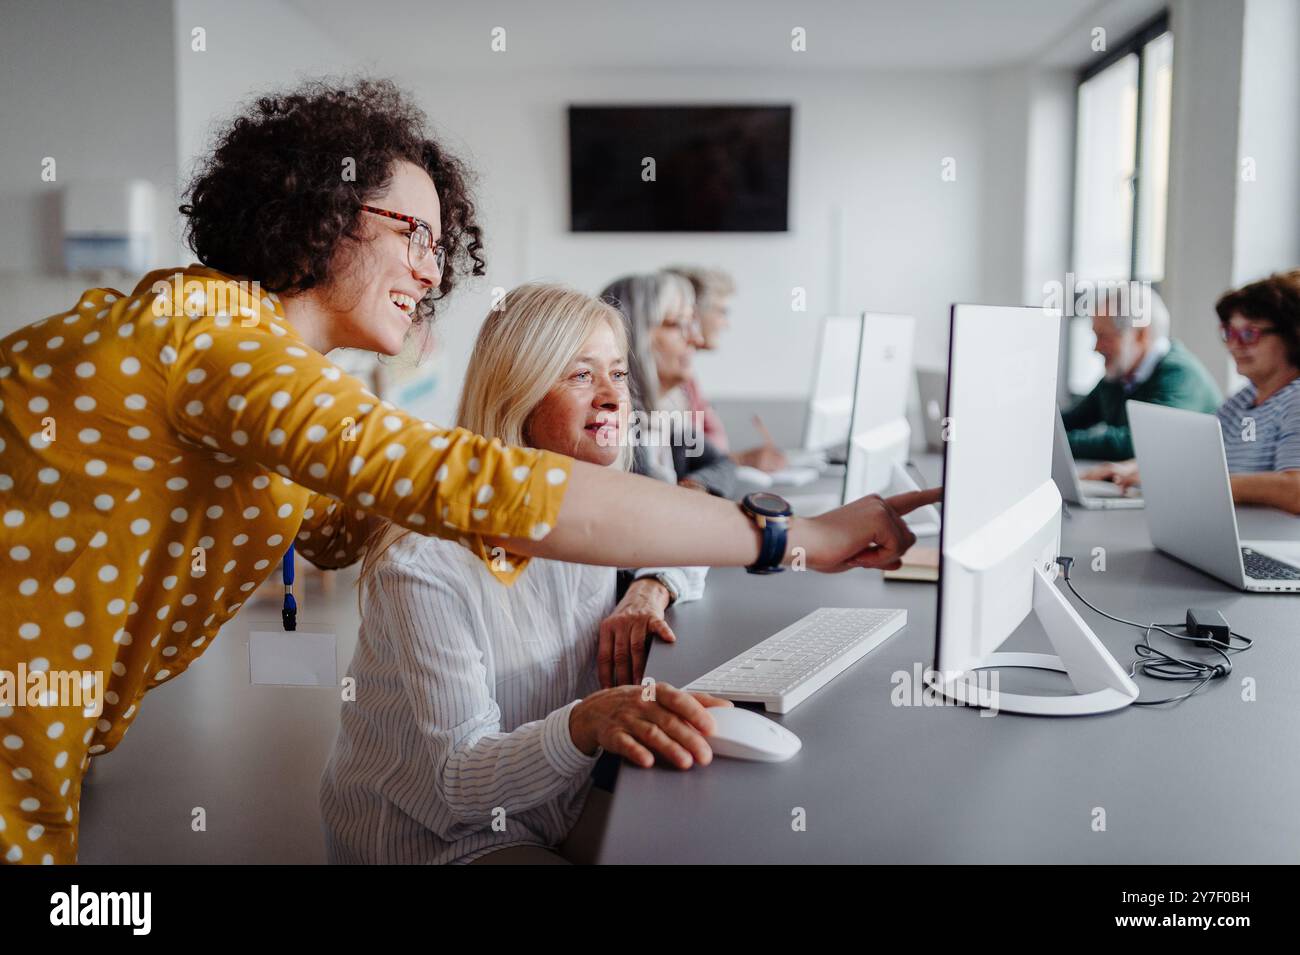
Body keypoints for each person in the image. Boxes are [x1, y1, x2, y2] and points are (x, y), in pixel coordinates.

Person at [0, 79, 932, 864]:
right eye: (412, 231)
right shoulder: (204, 333)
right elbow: (454, 491)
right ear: (319, 212)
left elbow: (371, 517)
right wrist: (793, 535)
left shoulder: (269, 395)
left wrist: (631, 546)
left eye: (440, 247)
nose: (429, 266)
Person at [321, 284, 732, 865]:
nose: (613, 398)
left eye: (618, 373)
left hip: (555, 807)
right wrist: (590, 720)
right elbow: (460, 782)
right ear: (517, 397)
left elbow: (691, 533)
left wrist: (649, 587)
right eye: (580, 376)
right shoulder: (424, 564)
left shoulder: (594, 506)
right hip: (441, 839)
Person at [1085, 270, 1300, 514]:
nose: (1234, 345)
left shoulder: (1295, 399)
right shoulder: (1241, 402)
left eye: (1249, 334)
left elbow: (1296, 491)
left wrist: (1195, 484)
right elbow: (1194, 455)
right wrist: (1138, 468)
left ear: (1292, 334)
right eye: (1229, 333)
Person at [600, 273, 737, 497]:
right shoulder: (612, 425)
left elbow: (724, 463)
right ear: (632, 334)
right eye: (677, 325)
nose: (697, 340)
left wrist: (697, 485)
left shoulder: (665, 415)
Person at [1063, 287, 1220, 460]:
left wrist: (1058, 444)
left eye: (1105, 336)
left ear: (1140, 335)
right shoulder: (1118, 376)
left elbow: (1142, 443)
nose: (1096, 348)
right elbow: (1071, 420)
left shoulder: (1180, 375)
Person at [665, 265, 788, 471]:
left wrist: (739, 460)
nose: (726, 324)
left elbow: (703, 455)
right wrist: (739, 461)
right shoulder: (668, 382)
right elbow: (682, 468)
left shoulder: (687, 379)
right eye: (722, 312)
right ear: (693, 312)